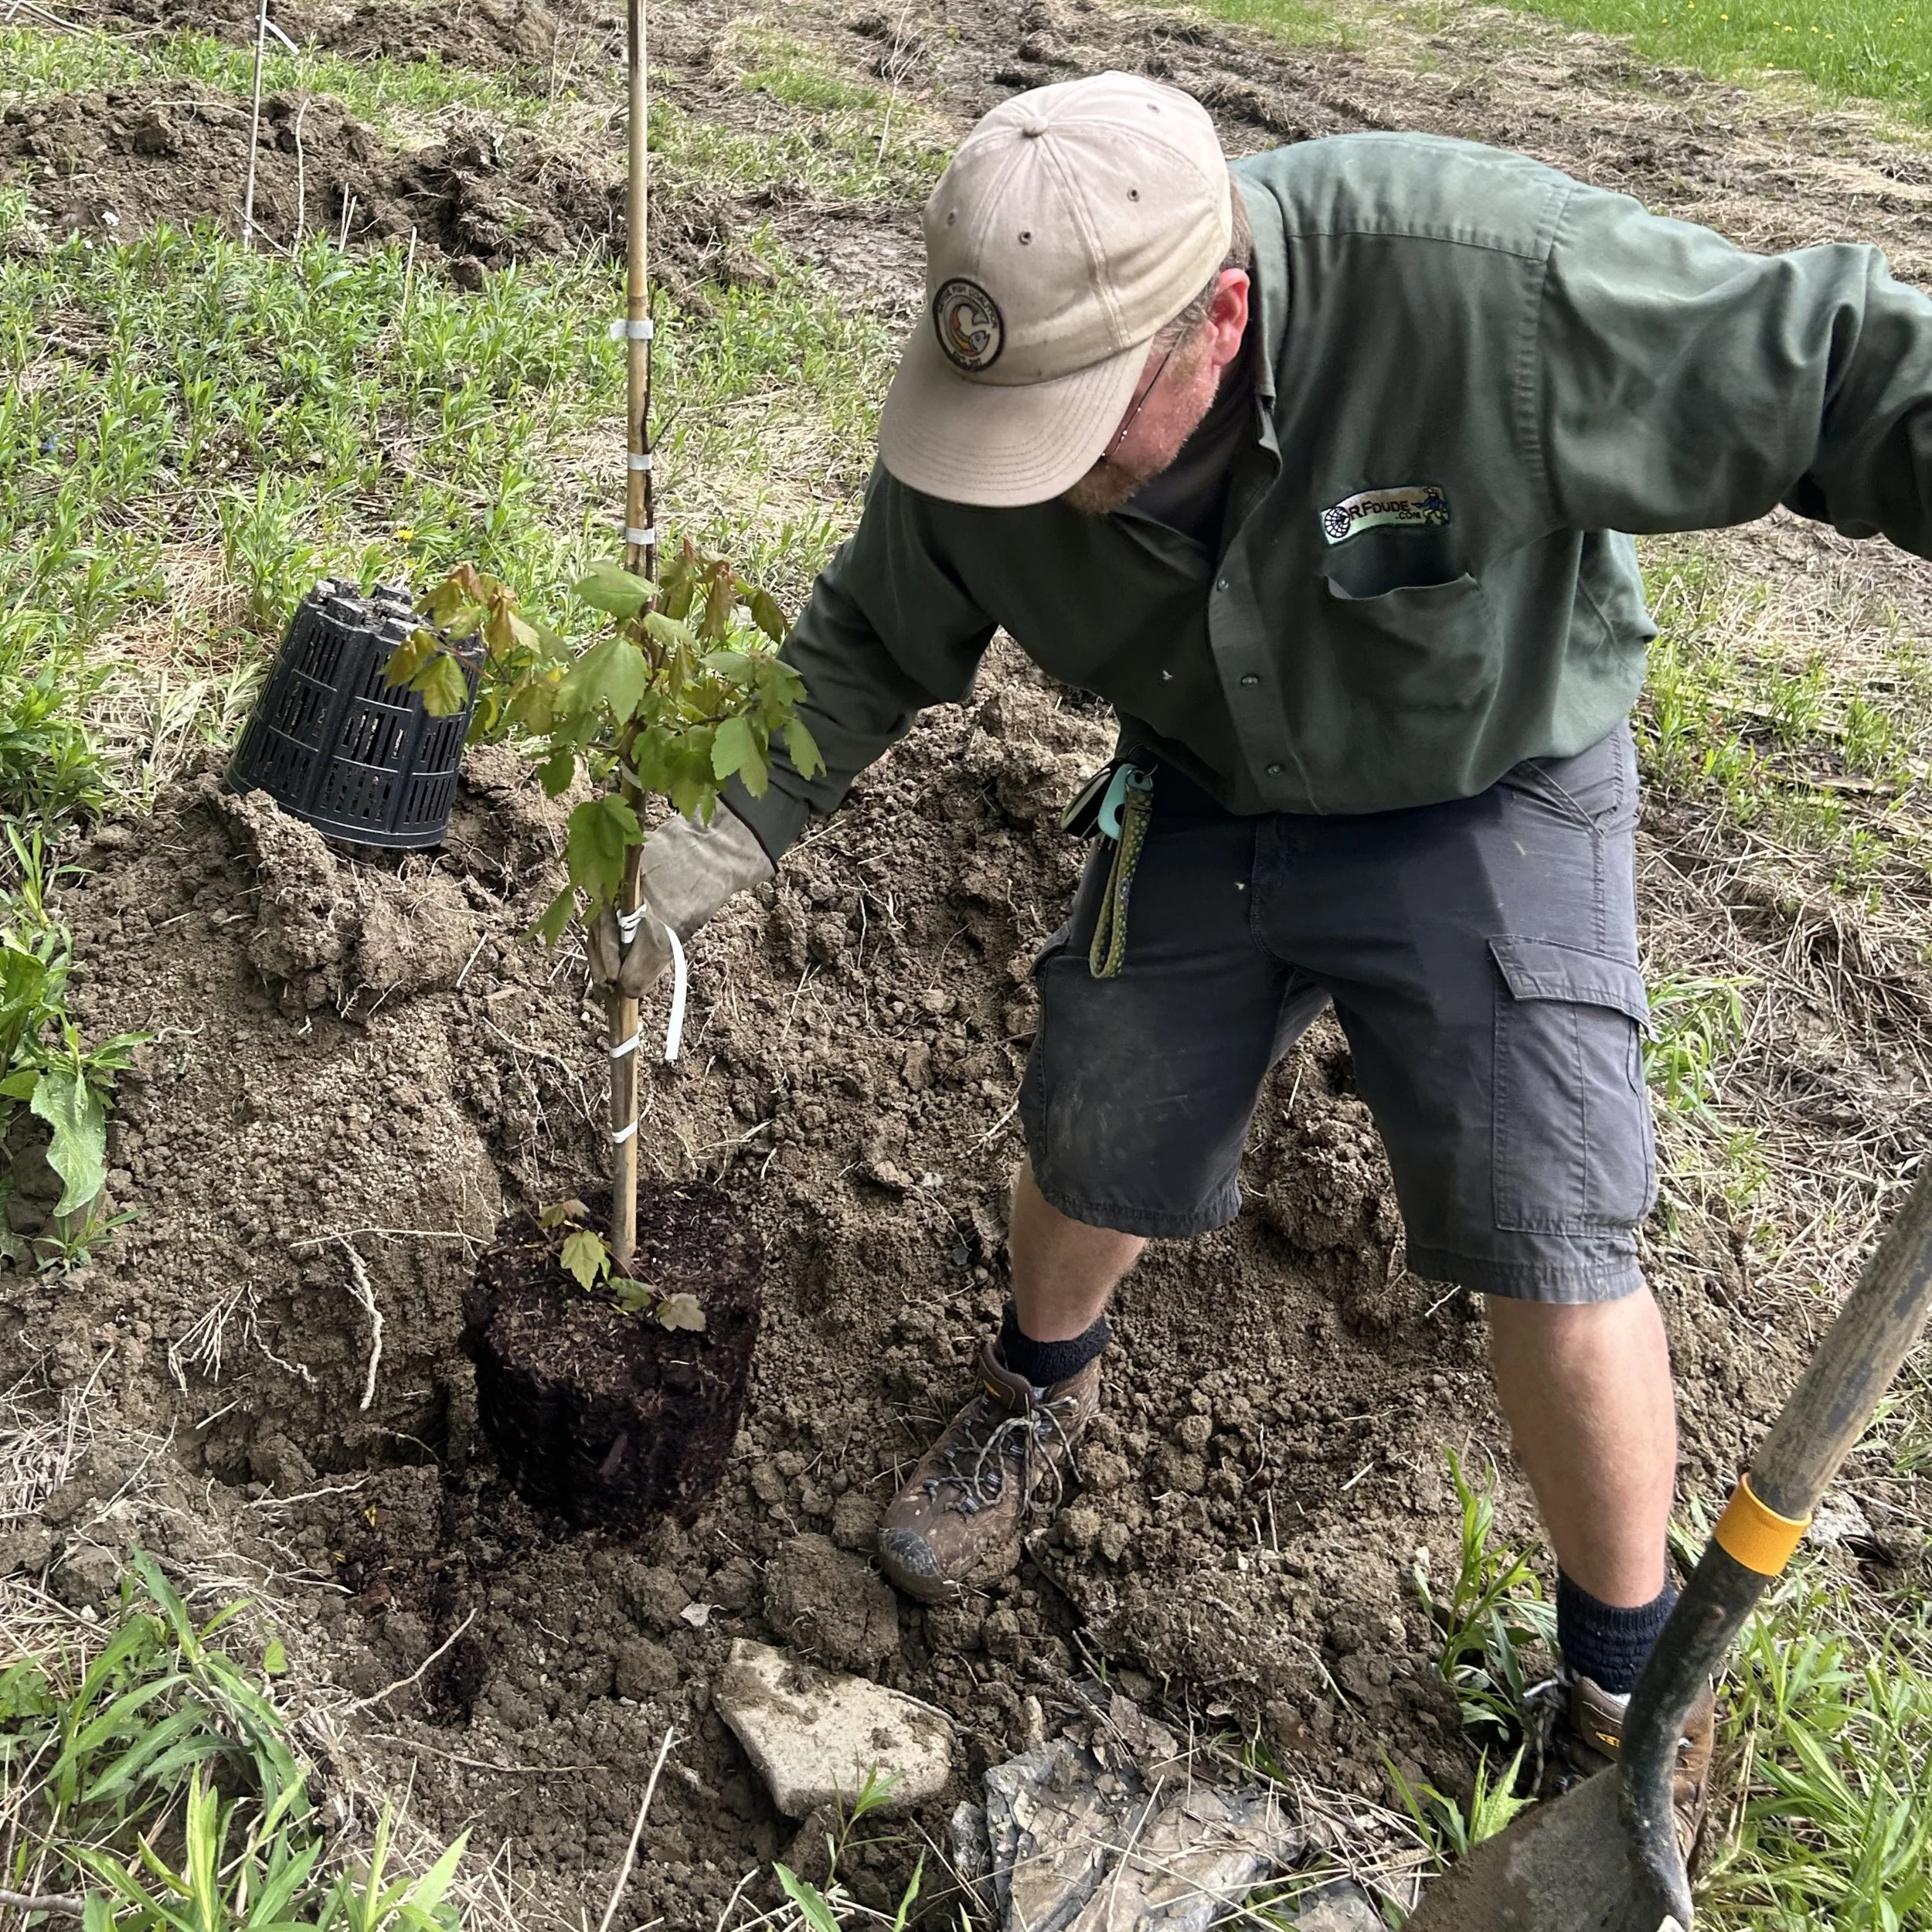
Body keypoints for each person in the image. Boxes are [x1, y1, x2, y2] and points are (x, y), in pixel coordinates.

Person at [592, 70, 1932, 1842]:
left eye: (1080, 428)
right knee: (1095, 1123)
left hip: (1485, 777)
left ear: (1214, 320)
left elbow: (1840, 368)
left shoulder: (1484, 290)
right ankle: (1030, 1396)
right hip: (1205, 777)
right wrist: (701, 840)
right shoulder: (993, 411)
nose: (1038, 473)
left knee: (1543, 1217)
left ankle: (1622, 1682)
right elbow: (862, 644)